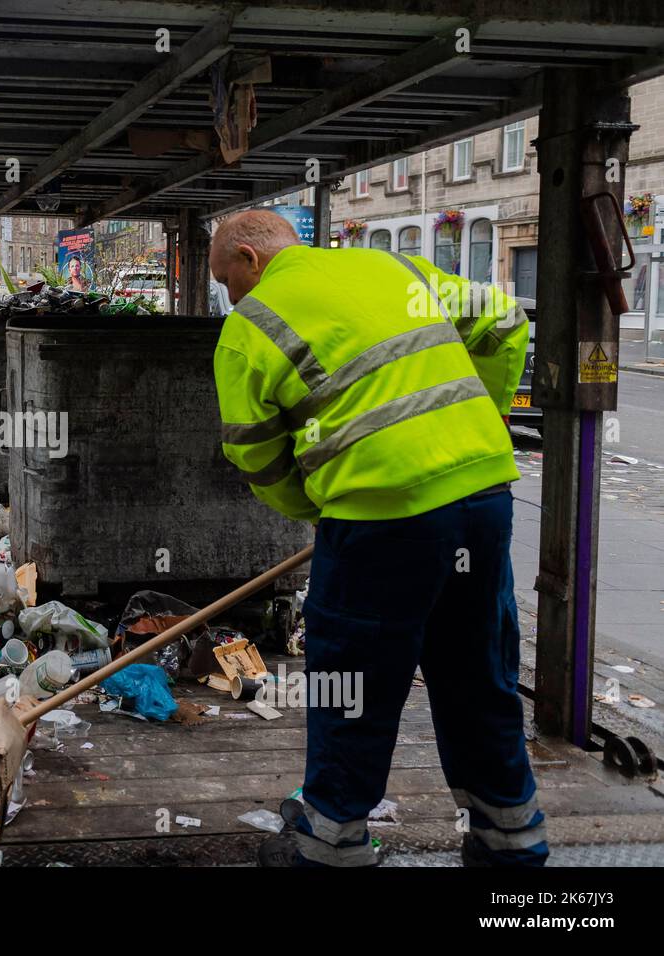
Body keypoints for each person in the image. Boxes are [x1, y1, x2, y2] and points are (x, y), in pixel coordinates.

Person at [210, 209, 545, 868]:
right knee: (477, 668)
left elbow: (257, 457)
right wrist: (481, 422)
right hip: (482, 499)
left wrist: (318, 506)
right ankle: (511, 841)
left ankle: (332, 844)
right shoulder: (390, 266)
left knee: (352, 679)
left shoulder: (249, 328)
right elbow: (505, 319)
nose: (229, 297)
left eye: (226, 281)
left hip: (378, 519)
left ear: (249, 258)